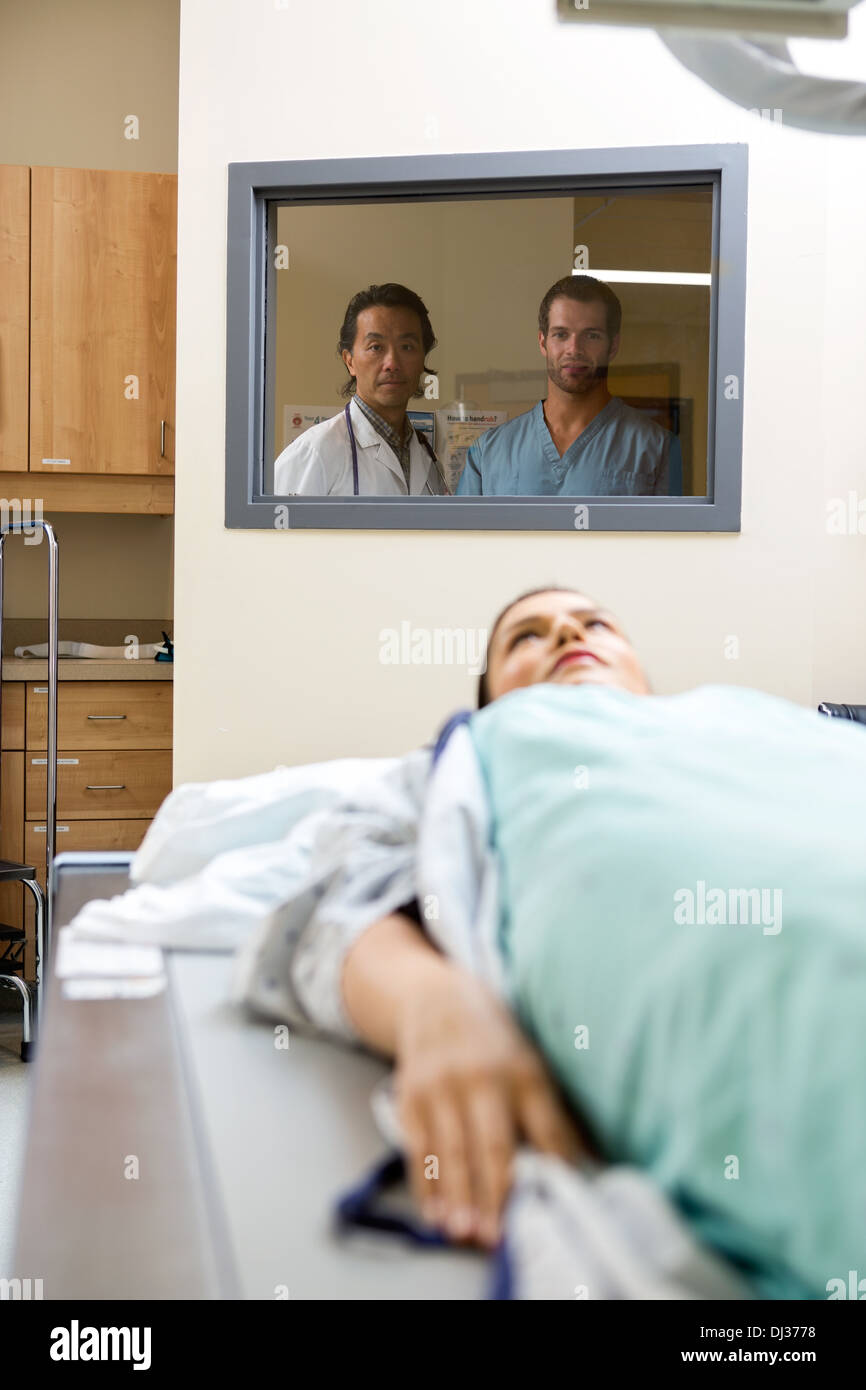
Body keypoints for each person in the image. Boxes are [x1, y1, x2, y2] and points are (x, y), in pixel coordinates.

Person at [264, 586, 866, 1299]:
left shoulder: (762, 721)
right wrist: (435, 1003)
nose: (565, 634)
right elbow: (334, 904)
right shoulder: (476, 752)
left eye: (594, 623)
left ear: (638, 666)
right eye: (526, 637)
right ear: (491, 700)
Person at [456, 276, 683, 496]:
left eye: (591, 335)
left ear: (613, 346)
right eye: (561, 334)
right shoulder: (489, 451)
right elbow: (463, 534)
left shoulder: (656, 448)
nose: (574, 349)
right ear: (543, 342)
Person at [273, 283, 449, 496]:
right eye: (376, 347)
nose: (392, 362)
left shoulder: (426, 456)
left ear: (422, 359)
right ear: (350, 361)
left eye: (407, 347)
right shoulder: (315, 452)